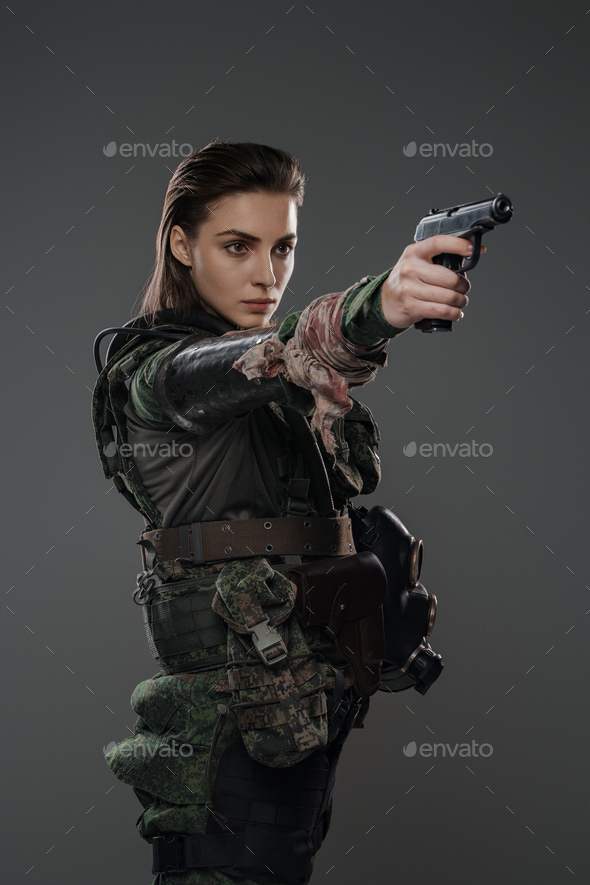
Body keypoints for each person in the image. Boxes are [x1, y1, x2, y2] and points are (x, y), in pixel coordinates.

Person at [91, 139, 472, 885]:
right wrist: (379, 306)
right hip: (231, 729)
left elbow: (293, 363)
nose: (267, 273)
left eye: (283, 247)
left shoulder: (276, 392)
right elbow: (263, 356)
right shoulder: (157, 378)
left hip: (299, 705)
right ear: (181, 243)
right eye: (238, 246)